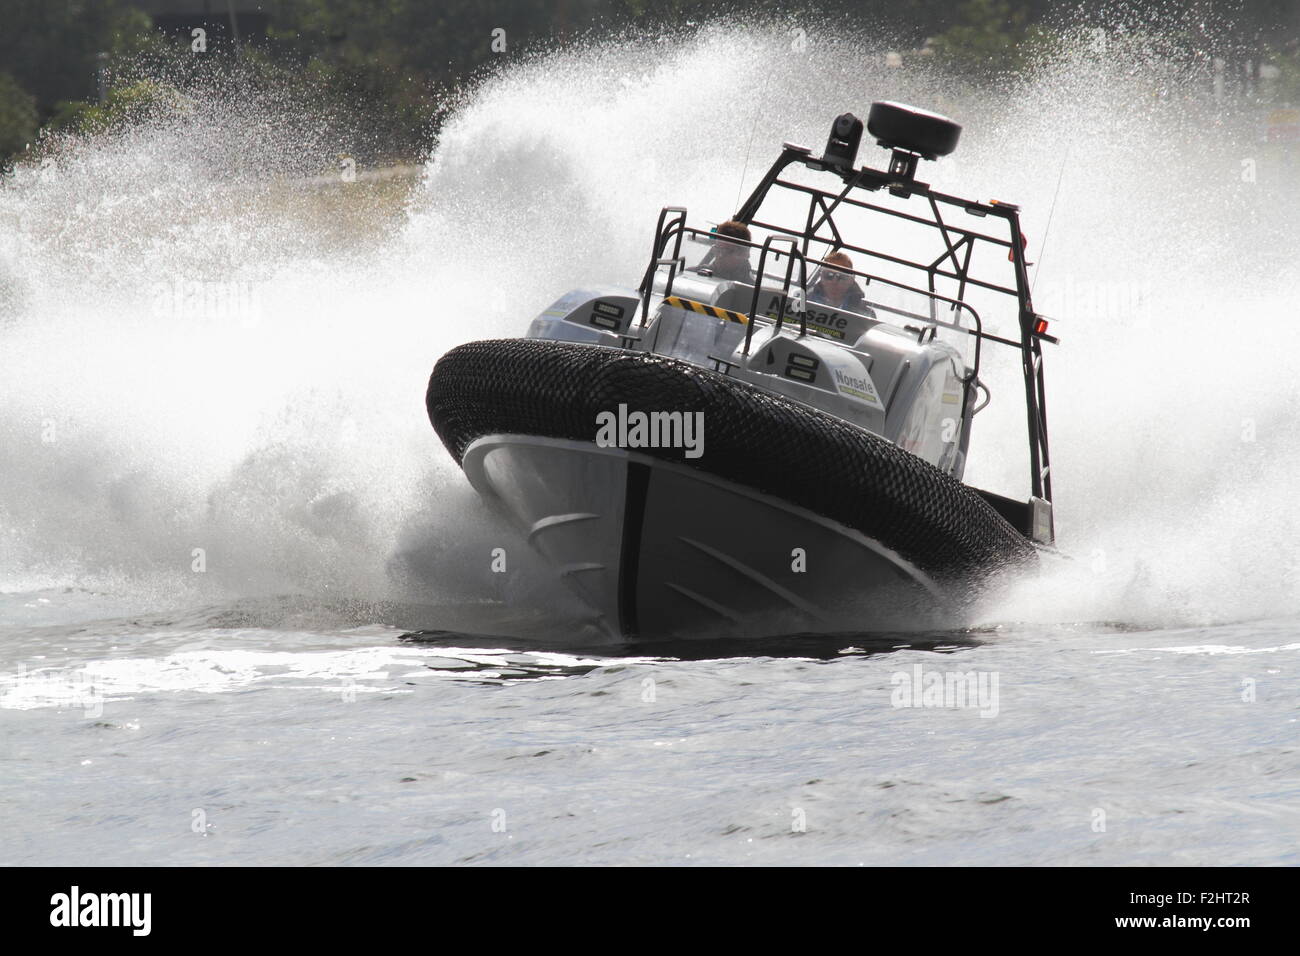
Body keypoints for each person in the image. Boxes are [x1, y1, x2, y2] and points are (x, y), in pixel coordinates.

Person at [807, 250, 874, 317]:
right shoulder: (803, 300)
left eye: (841, 276)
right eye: (829, 275)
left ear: (851, 280)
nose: (834, 282)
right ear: (821, 277)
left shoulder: (866, 314)